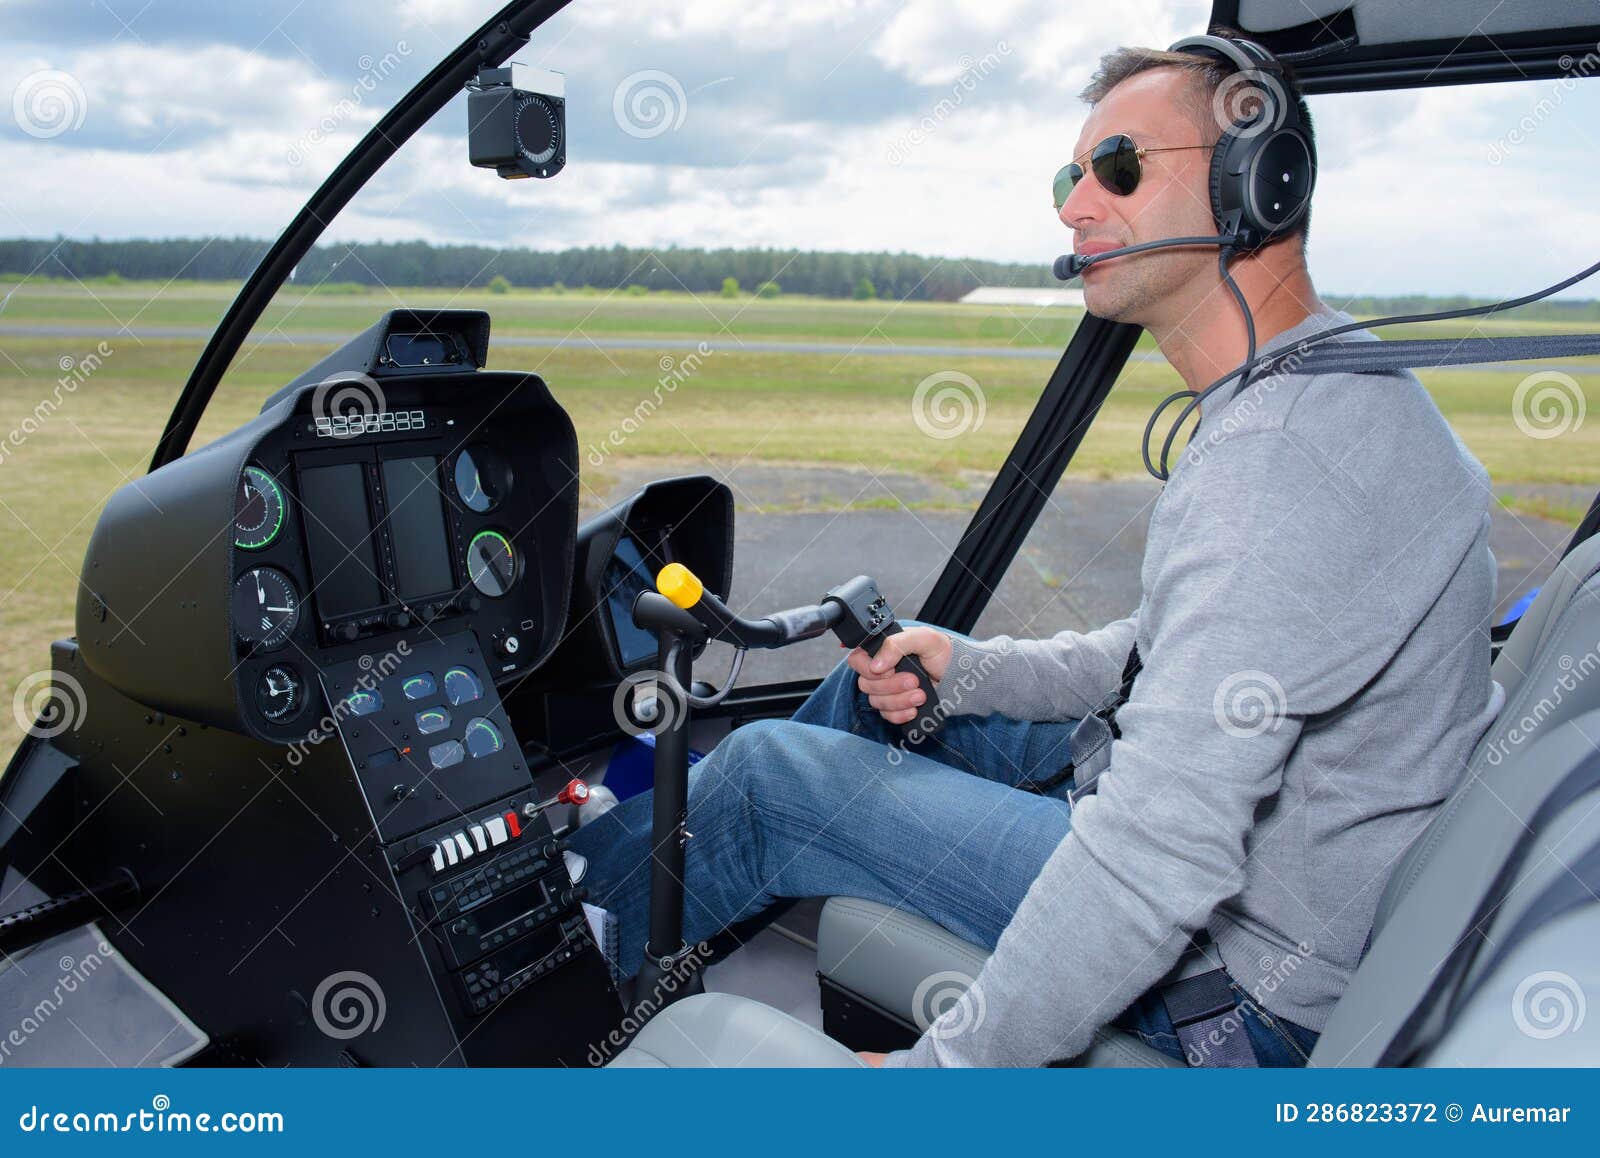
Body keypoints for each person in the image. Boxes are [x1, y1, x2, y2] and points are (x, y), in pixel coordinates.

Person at [568, 34, 1500, 1067]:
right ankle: (606, 874)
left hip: (1243, 982)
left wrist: (938, 1079)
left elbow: (1157, 859)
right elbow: (1166, 649)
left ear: (1257, 182)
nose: (1073, 207)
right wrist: (974, 667)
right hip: (1269, 885)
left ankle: (558, 950)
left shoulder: (1279, 462)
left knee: (768, 774)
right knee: (873, 692)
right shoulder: (1338, 386)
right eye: (1071, 176)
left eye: (1119, 168)